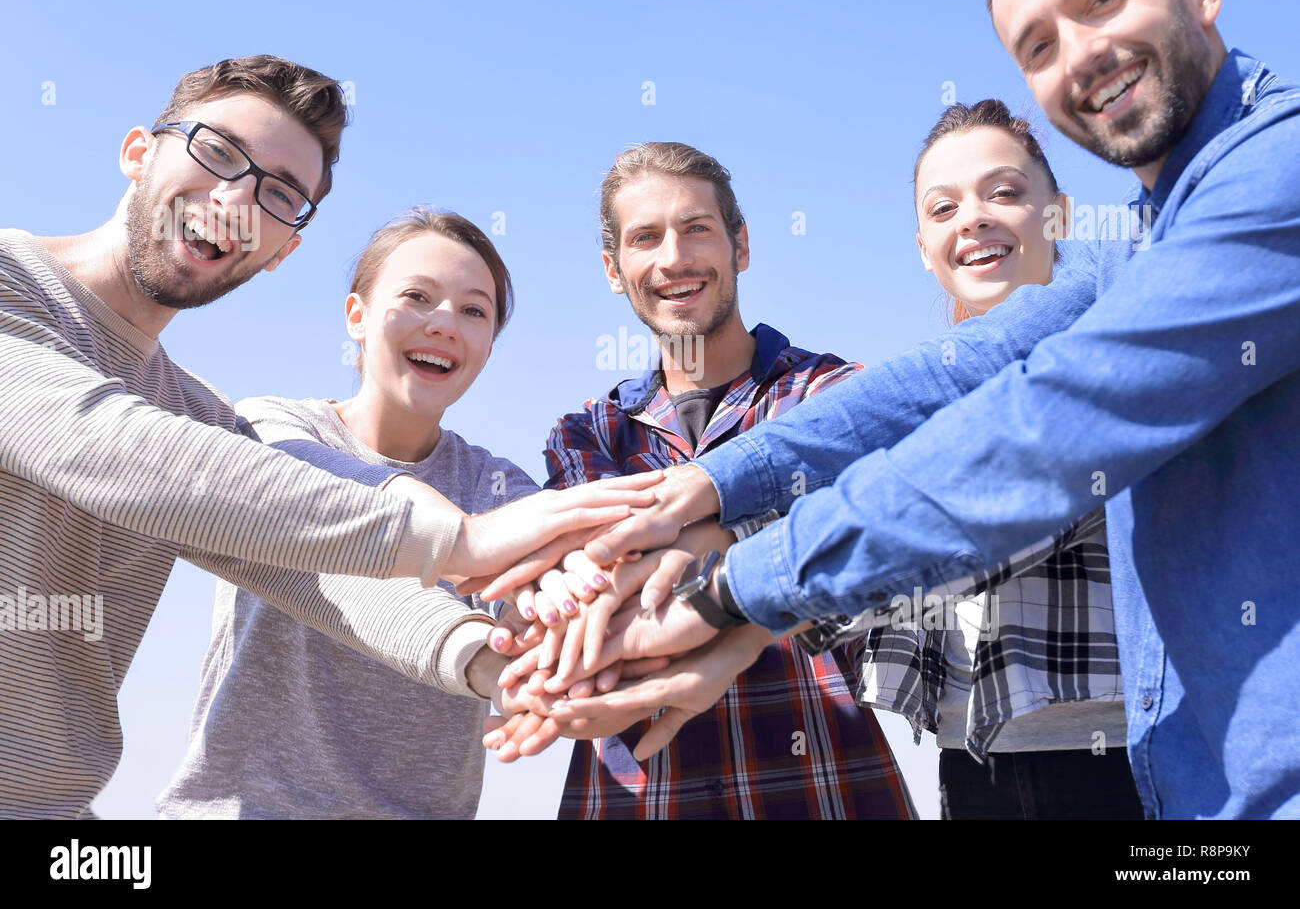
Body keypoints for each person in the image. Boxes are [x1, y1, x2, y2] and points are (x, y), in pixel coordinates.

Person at [509, 0, 1300, 820]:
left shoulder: (1272, 180)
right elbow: (949, 375)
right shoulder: (1137, 243)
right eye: (1037, 45)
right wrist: (708, 490)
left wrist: (733, 588)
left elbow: (1041, 434)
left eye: (1101, 2)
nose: (1081, 55)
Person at [0, 56, 655, 819]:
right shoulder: (17, 290)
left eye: (279, 193)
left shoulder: (191, 412)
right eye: (217, 151)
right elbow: (102, 444)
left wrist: (492, 663)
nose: (237, 199)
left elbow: (317, 573)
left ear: (283, 250)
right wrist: (460, 539)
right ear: (139, 151)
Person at [513, 143, 914, 819]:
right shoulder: (587, 435)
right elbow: (606, 590)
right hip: (638, 797)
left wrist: (697, 543)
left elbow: (868, 545)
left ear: (742, 246)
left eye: (696, 227)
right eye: (645, 238)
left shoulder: (830, 396)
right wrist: (768, 535)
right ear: (615, 270)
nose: (674, 258)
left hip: (825, 787)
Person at [158, 208, 545, 818]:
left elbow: (542, 584)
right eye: (418, 296)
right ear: (356, 317)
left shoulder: (495, 485)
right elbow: (355, 503)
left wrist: (542, 616)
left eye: (474, 311)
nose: (445, 323)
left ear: (488, 346)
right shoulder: (270, 430)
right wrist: (471, 548)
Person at [854, 98, 1142, 819]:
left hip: (1110, 759)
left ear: (1061, 216)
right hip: (970, 760)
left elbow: (987, 531)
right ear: (923, 246)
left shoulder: (1106, 357)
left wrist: (754, 593)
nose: (972, 219)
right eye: (942, 209)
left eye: (1004, 193)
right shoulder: (918, 396)